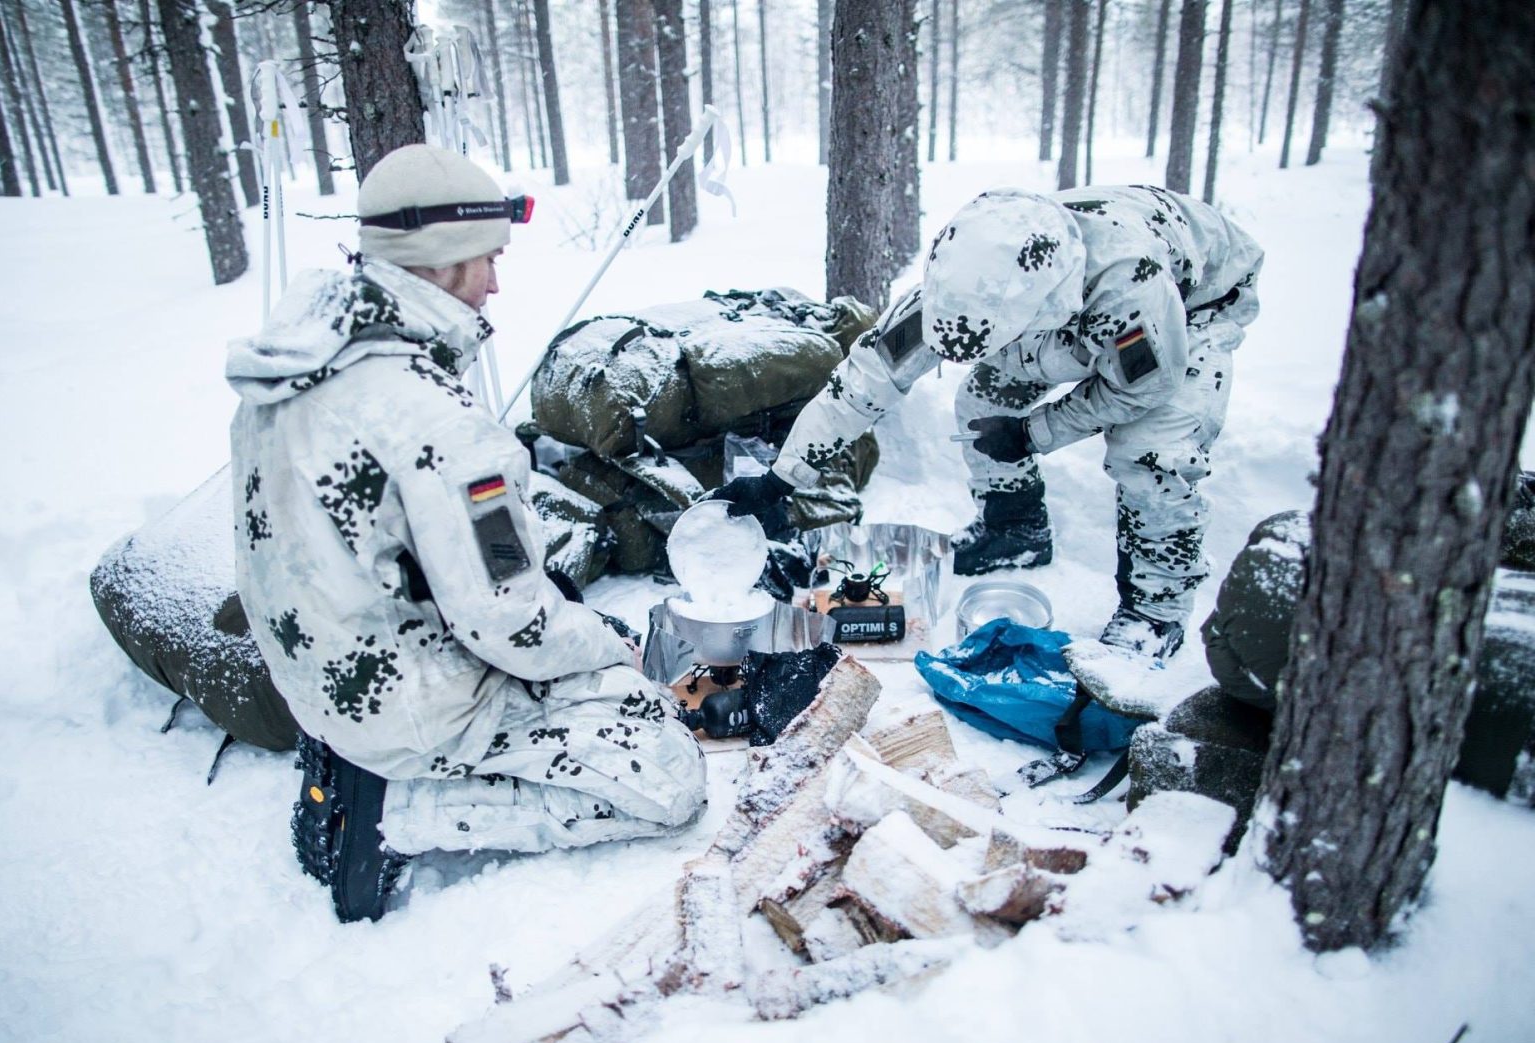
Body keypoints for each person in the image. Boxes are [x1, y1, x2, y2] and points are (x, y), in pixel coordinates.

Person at [226, 145, 707, 921]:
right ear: (441, 262)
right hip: (406, 705)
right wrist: (607, 651)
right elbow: (510, 621)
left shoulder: (296, 363)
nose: (494, 283)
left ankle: (370, 762)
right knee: (665, 766)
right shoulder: (440, 425)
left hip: (316, 670)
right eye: (487, 259)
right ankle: (394, 812)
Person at [714, 184, 1264, 660]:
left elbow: (1139, 388)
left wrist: (1034, 432)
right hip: (1064, 311)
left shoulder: (1128, 290)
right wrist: (783, 477)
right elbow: (863, 384)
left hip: (1197, 304)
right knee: (984, 399)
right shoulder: (964, 280)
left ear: (1040, 314)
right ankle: (1015, 528)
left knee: (1152, 455)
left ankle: (1154, 612)